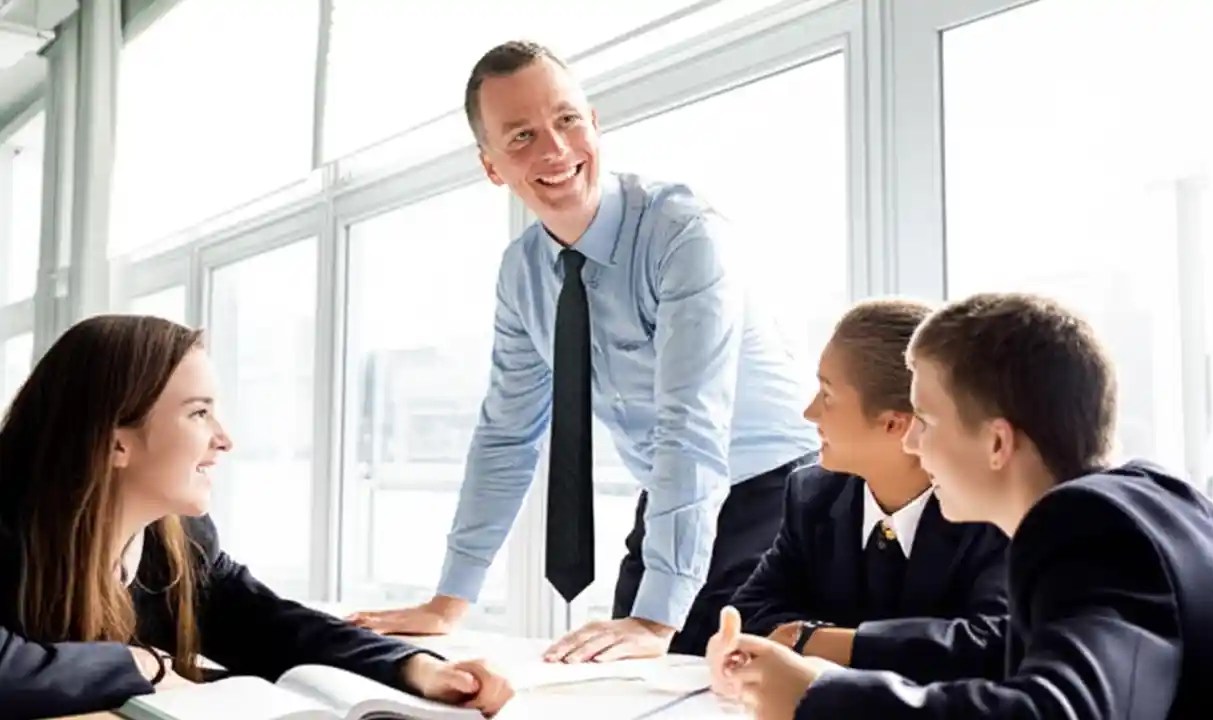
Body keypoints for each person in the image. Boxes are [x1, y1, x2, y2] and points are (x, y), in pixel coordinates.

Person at [347, 40, 818, 661]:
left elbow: (691, 420)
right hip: (670, 491)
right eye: (520, 136)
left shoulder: (683, 234)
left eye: (567, 120)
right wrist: (448, 602)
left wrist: (655, 618)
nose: (555, 149)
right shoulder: (523, 275)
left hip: (779, 490)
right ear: (491, 166)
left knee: (715, 668)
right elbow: (506, 435)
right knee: (612, 673)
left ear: (594, 123)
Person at [708, 292, 1213, 718]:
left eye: (925, 423)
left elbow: (1056, 713)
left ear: (997, 442)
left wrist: (817, 695)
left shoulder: (1087, 523)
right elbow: (1021, 668)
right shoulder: (1152, 498)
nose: (910, 443)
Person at [0, 316, 513, 720]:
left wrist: (413, 667)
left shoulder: (182, 539)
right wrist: (140, 663)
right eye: (198, 413)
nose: (224, 439)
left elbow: (266, 624)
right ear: (116, 441)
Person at [729, 298, 1008, 682]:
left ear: (897, 425)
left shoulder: (994, 517)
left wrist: (820, 641)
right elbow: (750, 611)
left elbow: (989, 648)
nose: (810, 412)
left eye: (827, 395)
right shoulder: (812, 494)